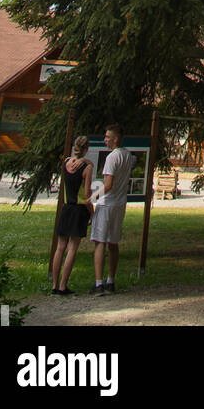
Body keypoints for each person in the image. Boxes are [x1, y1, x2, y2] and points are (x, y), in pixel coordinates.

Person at [89, 123, 134, 296]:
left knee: (100, 242)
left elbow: (108, 184)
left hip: (107, 203)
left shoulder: (112, 158)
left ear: (115, 139)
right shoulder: (127, 155)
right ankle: (111, 280)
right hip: (120, 203)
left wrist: (93, 197)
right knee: (113, 243)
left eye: (107, 137)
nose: (104, 140)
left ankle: (99, 283)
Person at [50, 135, 94, 295]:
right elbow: (87, 193)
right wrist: (92, 212)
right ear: (86, 149)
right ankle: (63, 285)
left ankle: (54, 284)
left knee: (60, 247)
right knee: (72, 248)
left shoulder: (66, 163)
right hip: (79, 208)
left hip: (66, 207)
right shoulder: (86, 168)